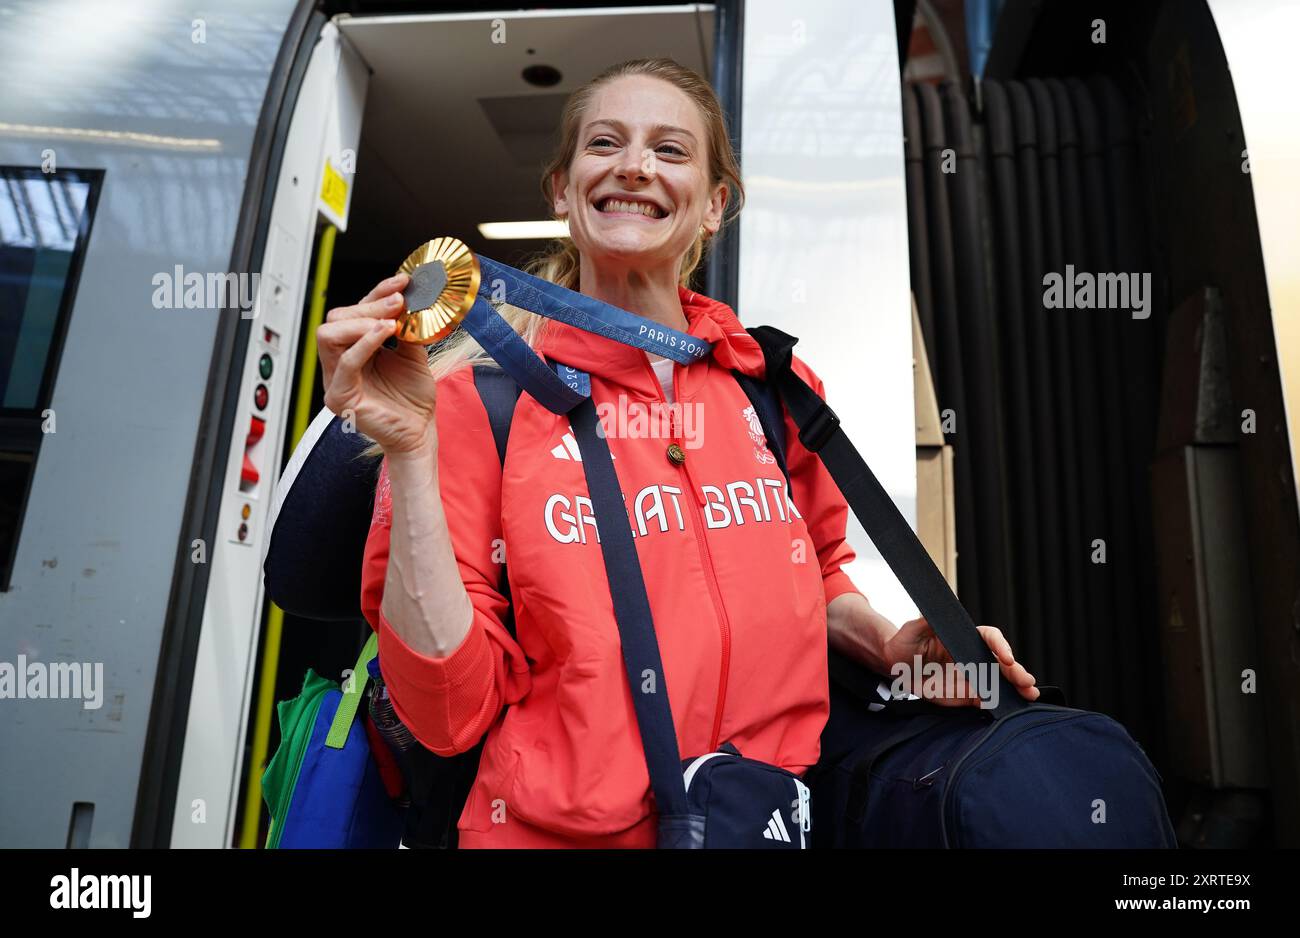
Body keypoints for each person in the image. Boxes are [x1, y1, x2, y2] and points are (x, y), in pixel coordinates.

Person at [316, 58, 1039, 848]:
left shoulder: (775, 387)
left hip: (761, 825)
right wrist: (412, 457)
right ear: (563, 190)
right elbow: (448, 714)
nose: (634, 166)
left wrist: (887, 642)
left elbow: (820, 568)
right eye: (605, 144)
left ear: (714, 205)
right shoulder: (479, 406)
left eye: (669, 149)